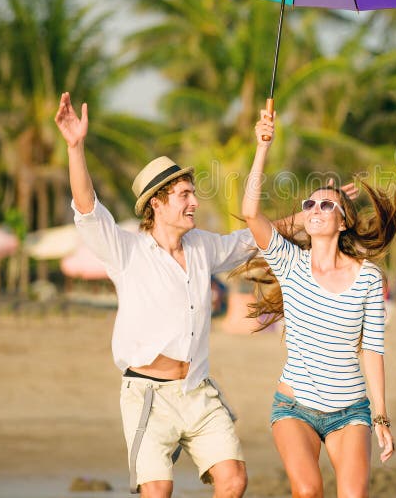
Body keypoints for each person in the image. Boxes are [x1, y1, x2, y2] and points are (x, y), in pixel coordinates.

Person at [54, 92, 252, 498]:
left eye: (193, 193)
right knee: (157, 490)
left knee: (233, 480)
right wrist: (76, 147)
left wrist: (308, 214)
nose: (195, 202)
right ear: (157, 204)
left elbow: (253, 240)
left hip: (198, 390)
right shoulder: (125, 250)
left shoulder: (202, 246)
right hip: (147, 395)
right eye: (184, 195)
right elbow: (87, 207)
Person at [240, 110, 396, 498]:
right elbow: (250, 213)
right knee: (308, 490)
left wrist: (380, 415)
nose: (314, 210)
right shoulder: (289, 262)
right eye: (309, 204)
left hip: (351, 412)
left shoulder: (367, 277)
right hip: (294, 407)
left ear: (344, 221)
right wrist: (262, 148)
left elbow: (374, 349)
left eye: (326, 205)